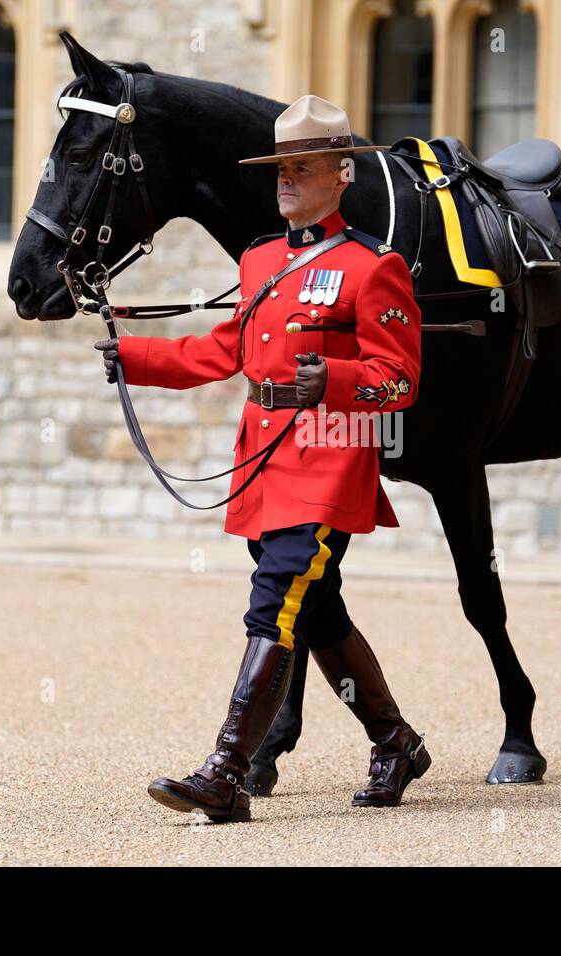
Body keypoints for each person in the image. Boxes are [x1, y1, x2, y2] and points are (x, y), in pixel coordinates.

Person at [96, 94, 429, 823]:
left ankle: (226, 770)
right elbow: (227, 352)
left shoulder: (374, 267)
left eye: (302, 169)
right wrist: (135, 356)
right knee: (316, 612)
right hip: (264, 458)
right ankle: (395, 740)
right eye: (280, 168)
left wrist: (334, 380)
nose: (286, 181)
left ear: (341, 174)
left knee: (275, 603)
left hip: (331, 460)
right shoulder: (259, 260)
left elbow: (400, 380)